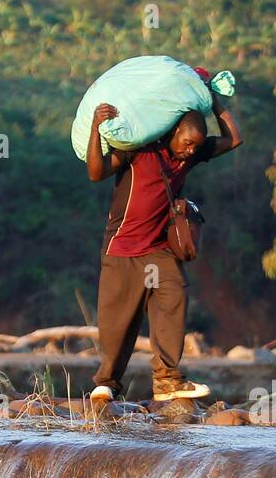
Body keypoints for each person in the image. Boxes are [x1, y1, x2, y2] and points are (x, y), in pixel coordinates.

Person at [84, 91, 241, 402]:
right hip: (122, 248)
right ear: (173, 133)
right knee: (119, 321)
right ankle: (107, 383)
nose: (191, 150)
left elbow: (233, 138)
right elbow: (95, 172)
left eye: (196, 145)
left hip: (159, 249)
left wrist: (214, 102)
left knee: (173, 297)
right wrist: (94, 126)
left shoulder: (190, 155)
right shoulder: (138, 151)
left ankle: (167, 380)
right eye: (187, 143)